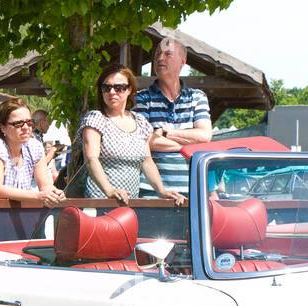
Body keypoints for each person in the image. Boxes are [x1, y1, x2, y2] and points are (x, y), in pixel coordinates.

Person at [79, 65, 184, 206]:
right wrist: (110, 191)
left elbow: (147, 162)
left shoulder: (140, 121)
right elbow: (91, 159)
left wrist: (162, 191)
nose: (112, 92)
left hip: (129, 204)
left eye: (119, 88)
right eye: (106, 87)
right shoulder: (95, 118)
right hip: (100, 203)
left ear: (129, 90)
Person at [135, 36, 211, 197]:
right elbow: (144, 141)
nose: (160, 59)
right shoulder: (141, 98)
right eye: (157, 55)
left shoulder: (197, 97)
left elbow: (205, 136)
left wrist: (164, 133)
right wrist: (189, 147)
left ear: (182, 61)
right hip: (151, 190)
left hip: (192, 188)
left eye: (167, 54)